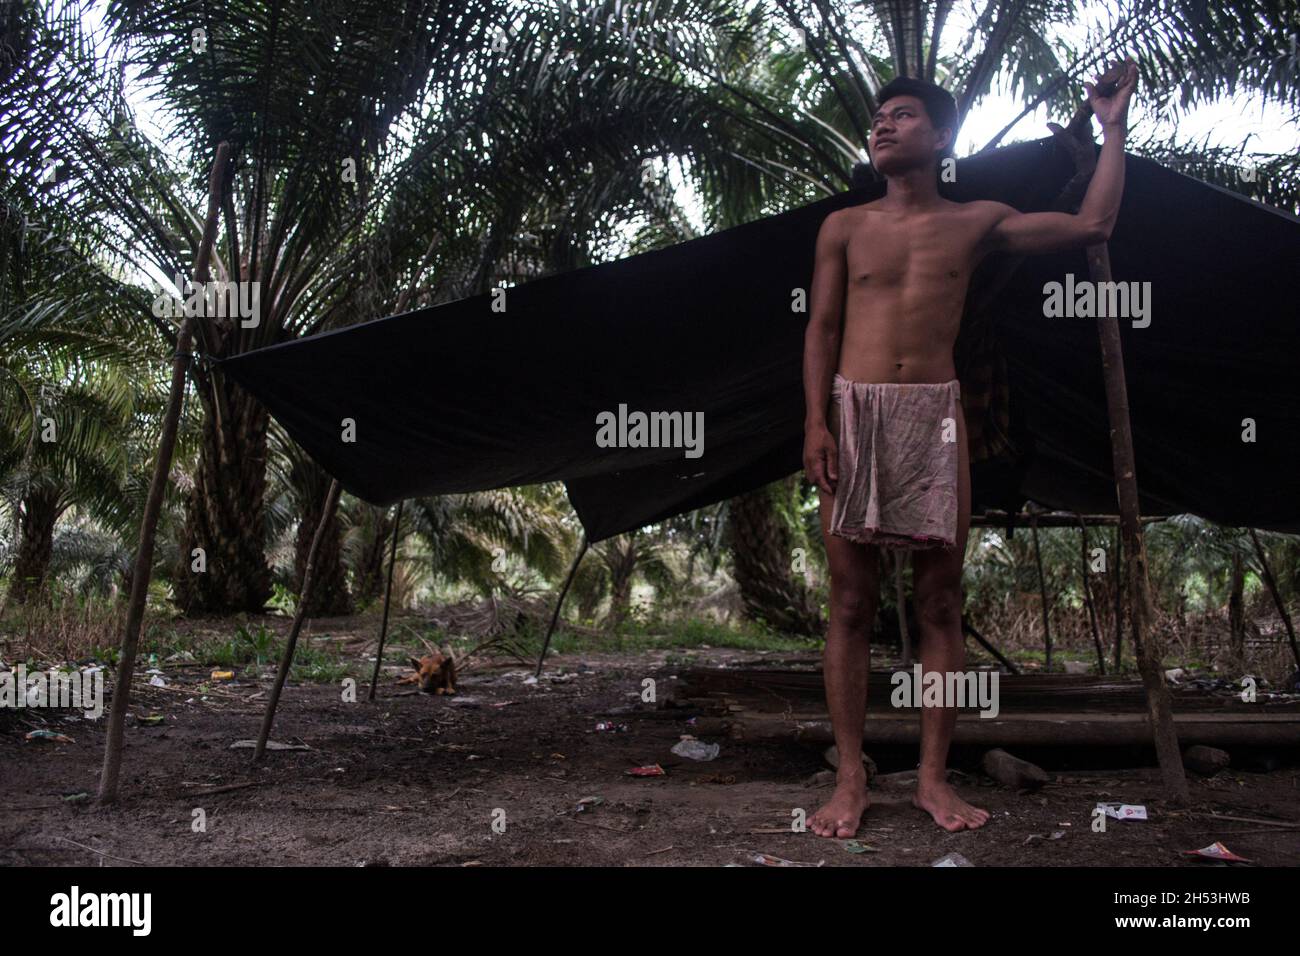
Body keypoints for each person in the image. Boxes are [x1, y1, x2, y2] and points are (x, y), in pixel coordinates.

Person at [801, 62, 1138, 836]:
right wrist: (816, 423)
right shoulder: (843, 228)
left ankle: (930, 778)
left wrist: (1111, 130)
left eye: (904, 114)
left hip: (936, 414)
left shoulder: (976, 220)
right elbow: (819, 328)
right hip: (855, 411)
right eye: (878, 117)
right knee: (850, 602)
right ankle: (851, 777)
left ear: (942, 135)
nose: (883, 124)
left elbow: (1093, 225)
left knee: (940, 602)